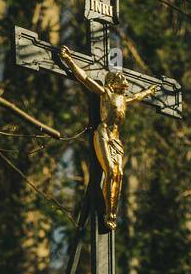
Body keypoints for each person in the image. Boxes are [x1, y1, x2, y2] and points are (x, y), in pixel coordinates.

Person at [59, 46, 159, 229]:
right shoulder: (106, 93)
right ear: (113, 81)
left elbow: (136, 97)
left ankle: (112, 212)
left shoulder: (123, 99)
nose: (125, 80)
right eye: (121, 78)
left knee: (119, 174)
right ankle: (108, 213)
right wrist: (68, 60)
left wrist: (149, 92)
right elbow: (85, 78)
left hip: (116, 138)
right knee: (111, 172)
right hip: (103, 133)